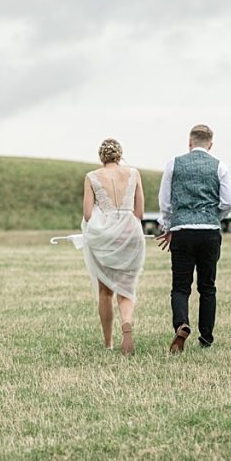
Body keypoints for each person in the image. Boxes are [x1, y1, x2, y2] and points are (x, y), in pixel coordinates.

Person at [156, 124, 231, 354]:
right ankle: (206, 337)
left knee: (180, 287)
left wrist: (168, 225)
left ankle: (181, 324)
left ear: (189, 143)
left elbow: (165, 200)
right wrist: (215, 216)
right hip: (209, 231)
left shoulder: (174, 164)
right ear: (210, 145)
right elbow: (229, 201)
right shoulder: (219, 166)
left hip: (182, 230)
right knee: (207, 287)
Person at [81, 138, 146, 356]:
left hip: (106, 236)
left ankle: (108, 342)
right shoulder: (134, 174)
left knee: (105, 290)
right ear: (119, 155)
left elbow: (88, 215)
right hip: (130, 232)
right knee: (126, 287)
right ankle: (126, 323)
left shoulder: (91, 177)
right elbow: (140, 213)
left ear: (101, 157)